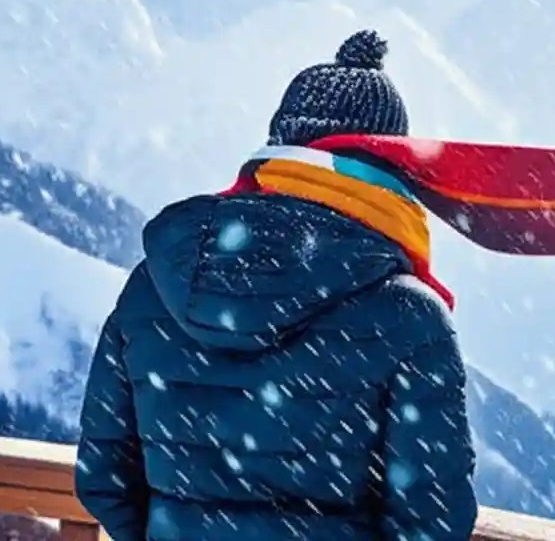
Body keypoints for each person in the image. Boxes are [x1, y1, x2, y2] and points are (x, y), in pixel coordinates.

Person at [75, 30, 478, 541]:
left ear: (279, 147)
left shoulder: (153, 285)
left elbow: (102, 477)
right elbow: (434, 521)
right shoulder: (408, 316)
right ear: (390, 164)